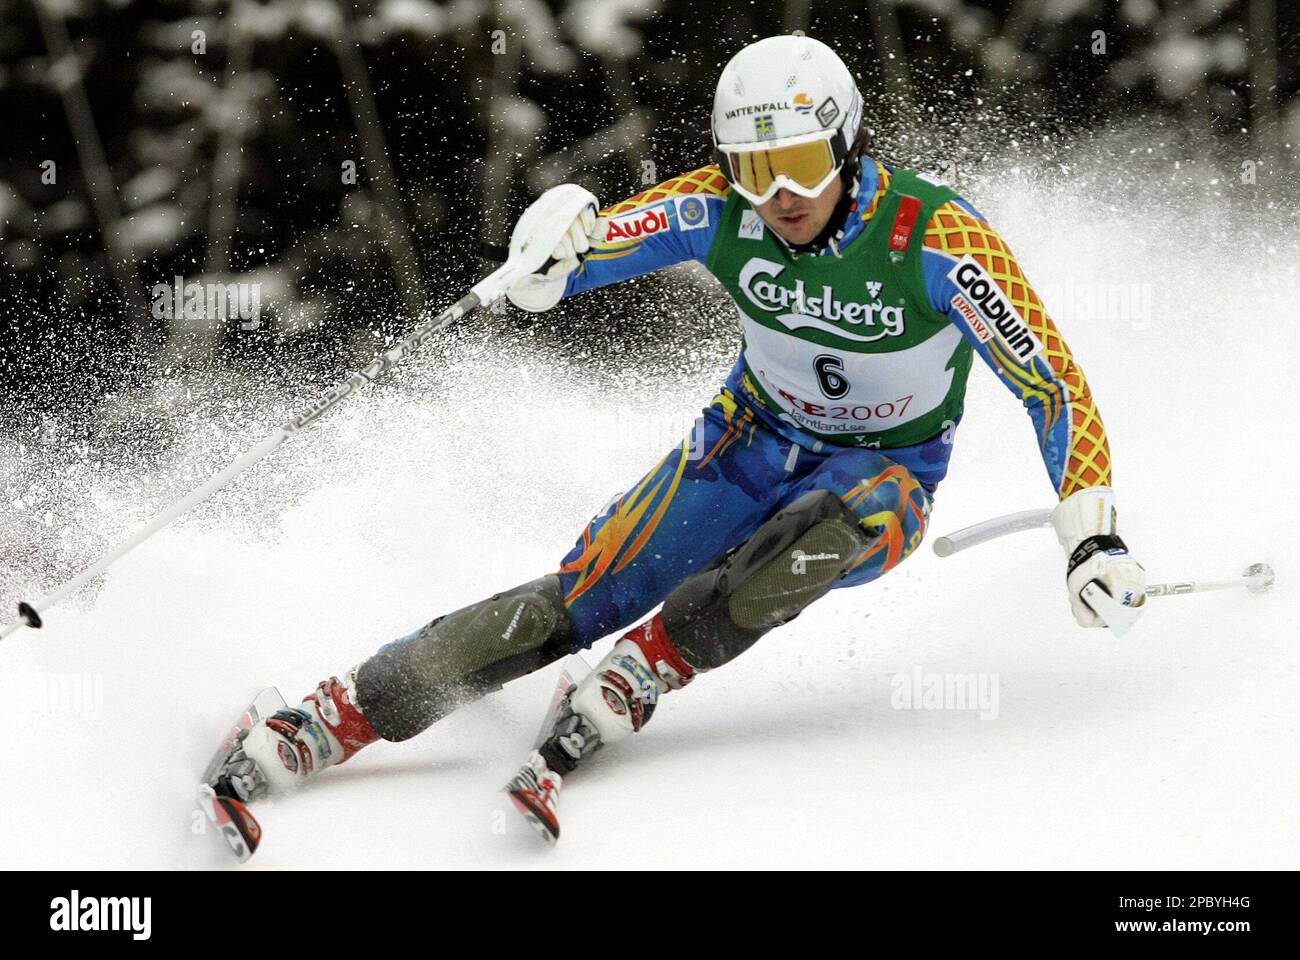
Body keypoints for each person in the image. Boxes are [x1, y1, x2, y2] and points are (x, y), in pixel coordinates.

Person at [212, 35, 1146, 840]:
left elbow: (1053, 383)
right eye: (753, 168)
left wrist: (1092, 531)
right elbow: (575, 263)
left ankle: (647, 670)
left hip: (889, 470)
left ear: (849, 145)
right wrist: (551, 251)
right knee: (573, 603)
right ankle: (335, 714)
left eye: (804, 164)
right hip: (746, 439)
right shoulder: (720, 208)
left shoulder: (939, 238)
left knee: (826, 530)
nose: (780, 195)